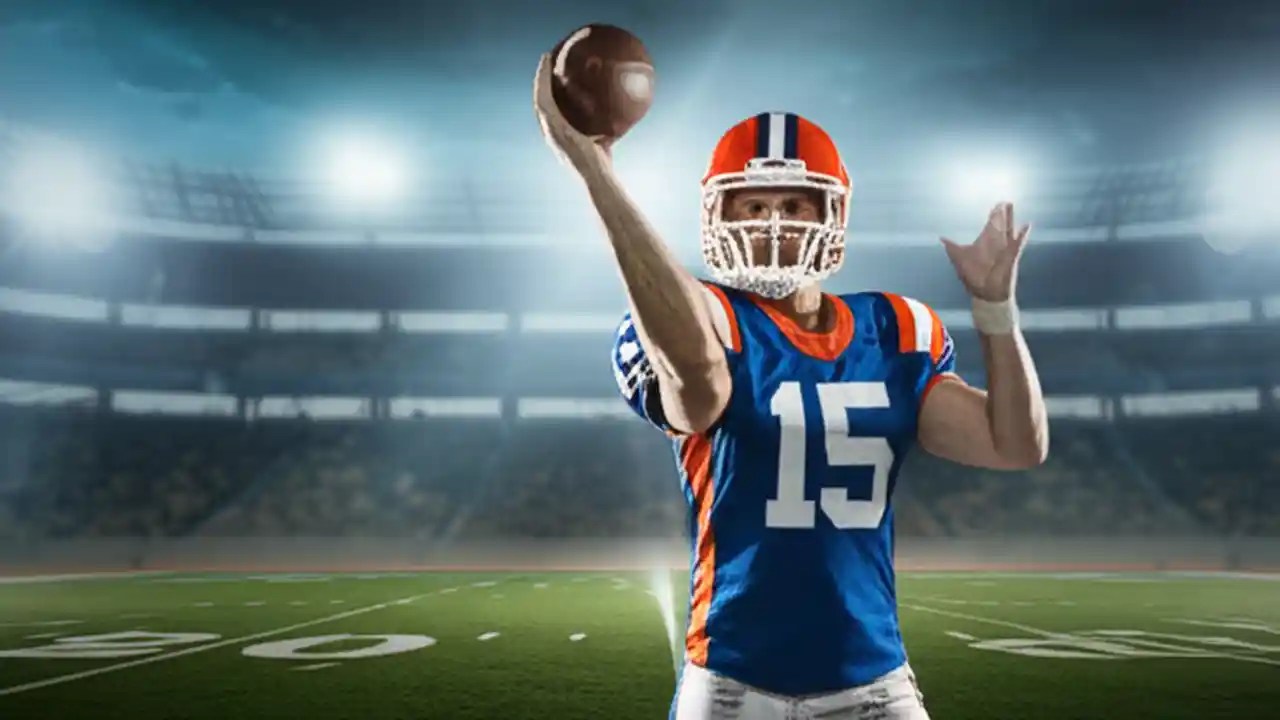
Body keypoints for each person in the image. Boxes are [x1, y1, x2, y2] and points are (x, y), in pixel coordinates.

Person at [533, 54, 1049, 720]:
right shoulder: (697, 322)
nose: (772, 224)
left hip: (873, 683)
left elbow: (1014, 444)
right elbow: (697, 385)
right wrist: (595, 171)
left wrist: (995, 308)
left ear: (832, 213)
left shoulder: (894, 327)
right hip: (729, 684)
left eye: (792, 203)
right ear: (717, 213)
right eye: (752, 204)